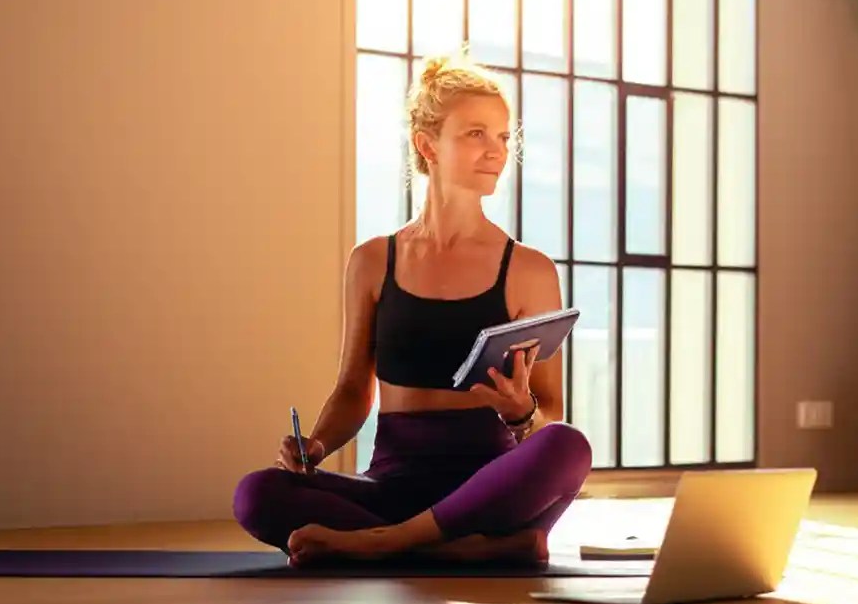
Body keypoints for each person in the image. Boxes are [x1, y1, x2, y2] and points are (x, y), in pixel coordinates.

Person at [232, 49, 592, 567]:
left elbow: (550, 411)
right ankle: (464, 550)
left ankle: (387, 543)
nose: (496, 151)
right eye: (475, 134)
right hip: (393, 487)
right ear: (428, 145)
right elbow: (355, 388)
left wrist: (522, 415)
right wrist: (316, 446)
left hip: (489, 490)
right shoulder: (373, 261)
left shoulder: (529, 270)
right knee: (256, 494)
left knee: (567, 446)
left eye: (502, 136)